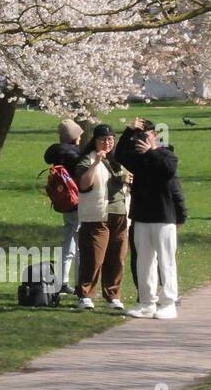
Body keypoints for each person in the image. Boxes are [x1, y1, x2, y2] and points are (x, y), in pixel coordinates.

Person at [115, 118, 185, 320]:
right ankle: (146, 302)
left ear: (155, 136)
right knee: (144, 261)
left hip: (163, 217)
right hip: (142, 216)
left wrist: (152, 150)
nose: (142, 141)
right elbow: (119, 155)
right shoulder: (137, 159)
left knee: (166, 260)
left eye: (146, 136)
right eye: (140, 138)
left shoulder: (166, 155)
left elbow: (168, 170)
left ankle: (169, 302)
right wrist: (128, 132)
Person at [74, 124, 131, 311]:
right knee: (94, 257)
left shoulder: (119, 160)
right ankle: (85, 295)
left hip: (121, 214)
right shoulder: (86, 160)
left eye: (110, 139)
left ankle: (113, 295)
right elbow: (84, 184)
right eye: (103, 139)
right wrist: (96, 163)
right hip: (97, 215)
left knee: (117, 257)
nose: (107, 143)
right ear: (95, 141)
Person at [44, 118, 84, 296]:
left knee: (68, 242)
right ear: (74, 137)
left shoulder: (57, 155)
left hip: (65, 203)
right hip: (78, 202)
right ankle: (80, 284)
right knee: (80, 246)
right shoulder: (75, 156)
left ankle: (62, 282)